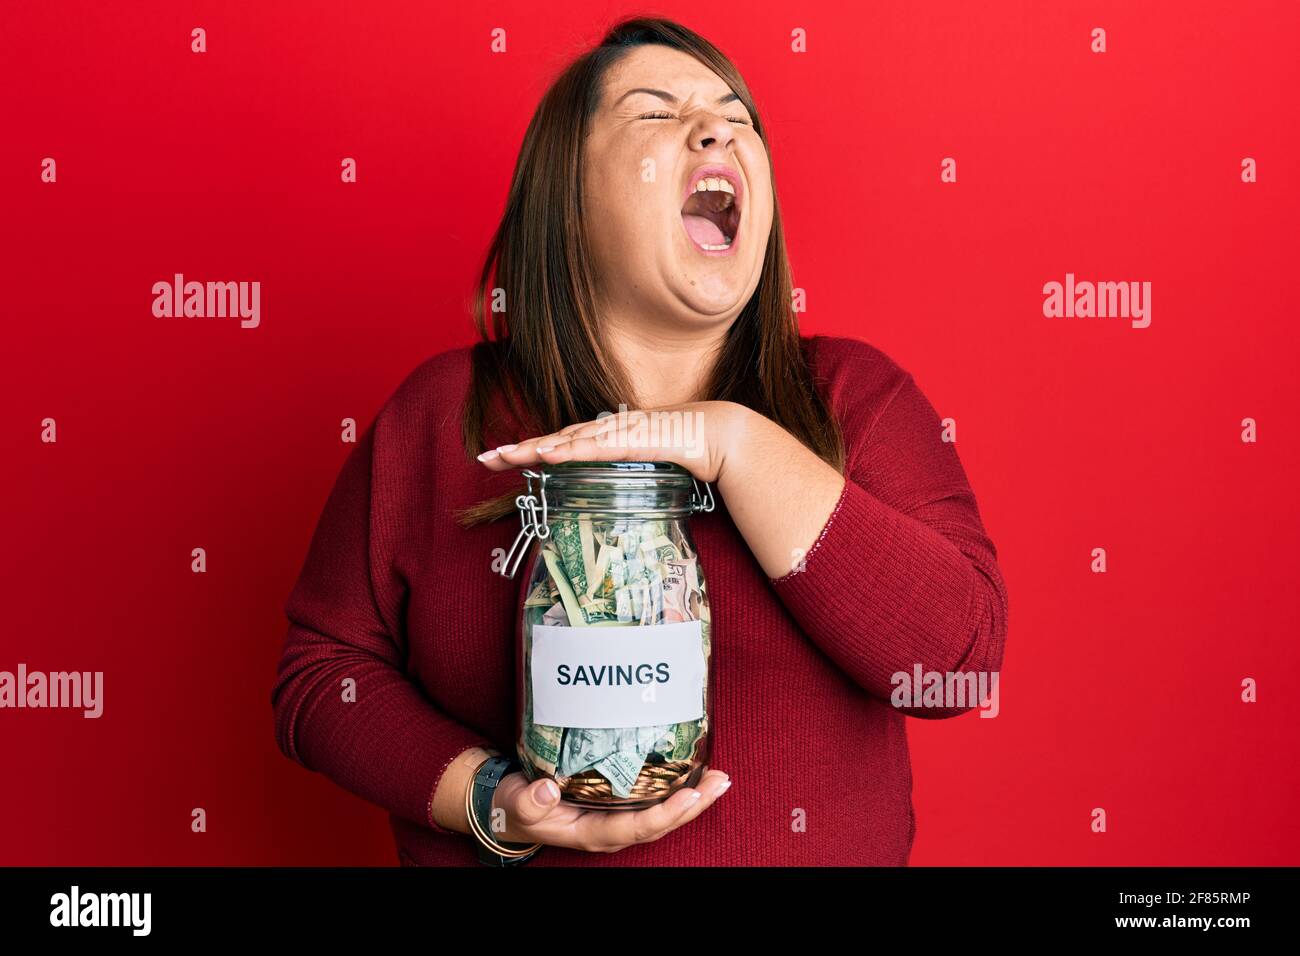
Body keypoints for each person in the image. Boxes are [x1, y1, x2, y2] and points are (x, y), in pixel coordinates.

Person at [272, 16, 1009, 866]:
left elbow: (961, 660)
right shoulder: (442, 416)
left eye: (738, 119)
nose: (717, 129)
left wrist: (735, 443)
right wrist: (493, 802)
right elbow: (322, 679)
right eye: (655, 112)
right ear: (568, 198)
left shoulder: (856, 400)